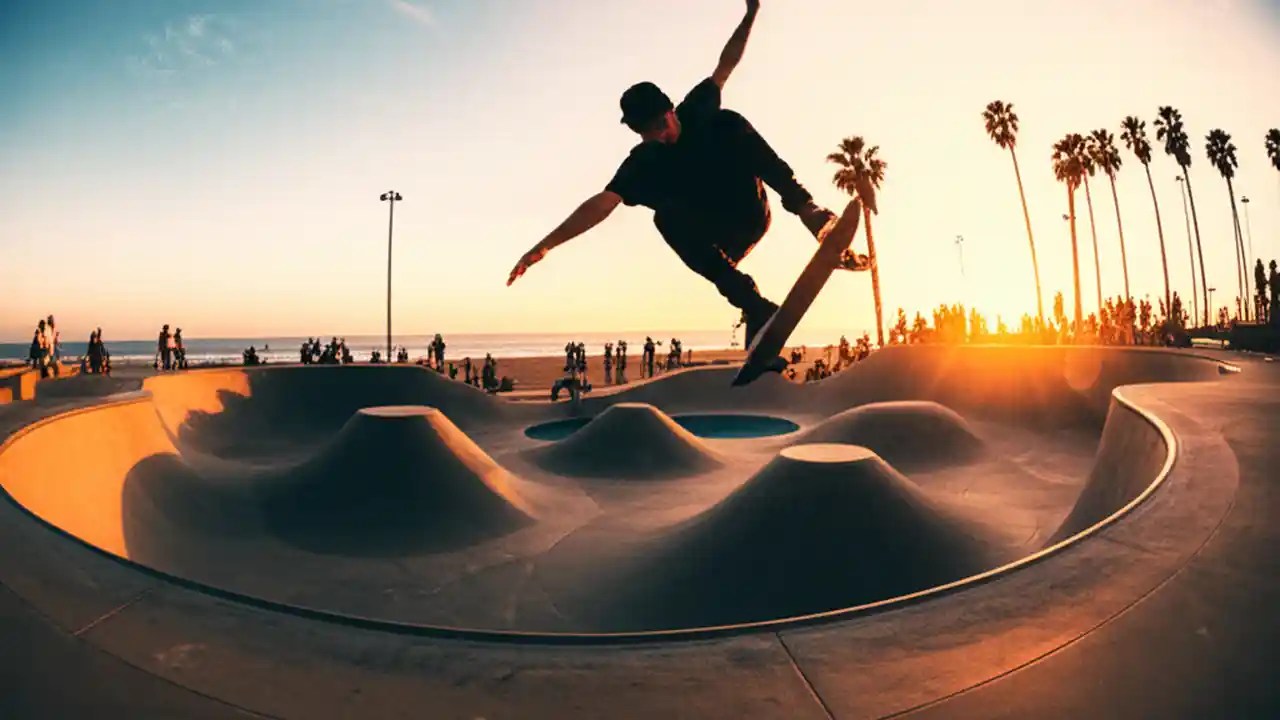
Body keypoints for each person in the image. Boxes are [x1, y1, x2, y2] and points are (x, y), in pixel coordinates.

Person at [507, 0, 876, 349]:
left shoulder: (697, 108)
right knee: (665, 217)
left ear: (672, 109)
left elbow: (726, 63)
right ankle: (754, 305)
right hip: (718, 238)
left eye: (662, 125)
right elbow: (601, 205)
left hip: (749, 210)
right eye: (648, 133)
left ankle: (811, 213)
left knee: (729, 123)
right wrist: (543, 246)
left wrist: (751, 13)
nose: (660, 137)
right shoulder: (644, 160)